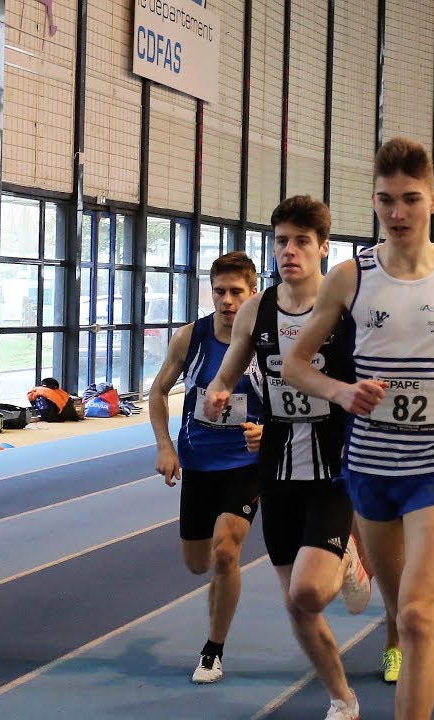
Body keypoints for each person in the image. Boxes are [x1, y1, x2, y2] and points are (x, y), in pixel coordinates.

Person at [281, 136, 434, 720]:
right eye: (386, 200)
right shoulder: (349, 277)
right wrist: (341, 391)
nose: (398, 213)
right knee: (397, 611)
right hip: (371, 470)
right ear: (374, 201)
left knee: (415, 615)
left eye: (410, 199)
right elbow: (295, 364)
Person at [201, 195, 368, 720]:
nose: (289, 251)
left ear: (323, 247)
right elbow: (229, 369)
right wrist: (218, 390)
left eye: (301, 241)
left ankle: (346, 556)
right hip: (276, 468)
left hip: (333, 467)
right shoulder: (259, 309)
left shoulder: (345, 308)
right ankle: (343, 699)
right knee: (297, 606)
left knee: (309, 592)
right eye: (280, 242)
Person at [147, 251, 265, 685]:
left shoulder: (267, 341)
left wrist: (269, 432)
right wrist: (165, 446)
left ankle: (213, 650)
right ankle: (217, 598)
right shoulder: (189, 338)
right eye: (219, 291)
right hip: (198, 461)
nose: (227, 301)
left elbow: (296, 398)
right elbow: (157, 392)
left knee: (226, 550)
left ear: (253, 292)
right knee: (198, 563)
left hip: (246, 463)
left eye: (236, 292)